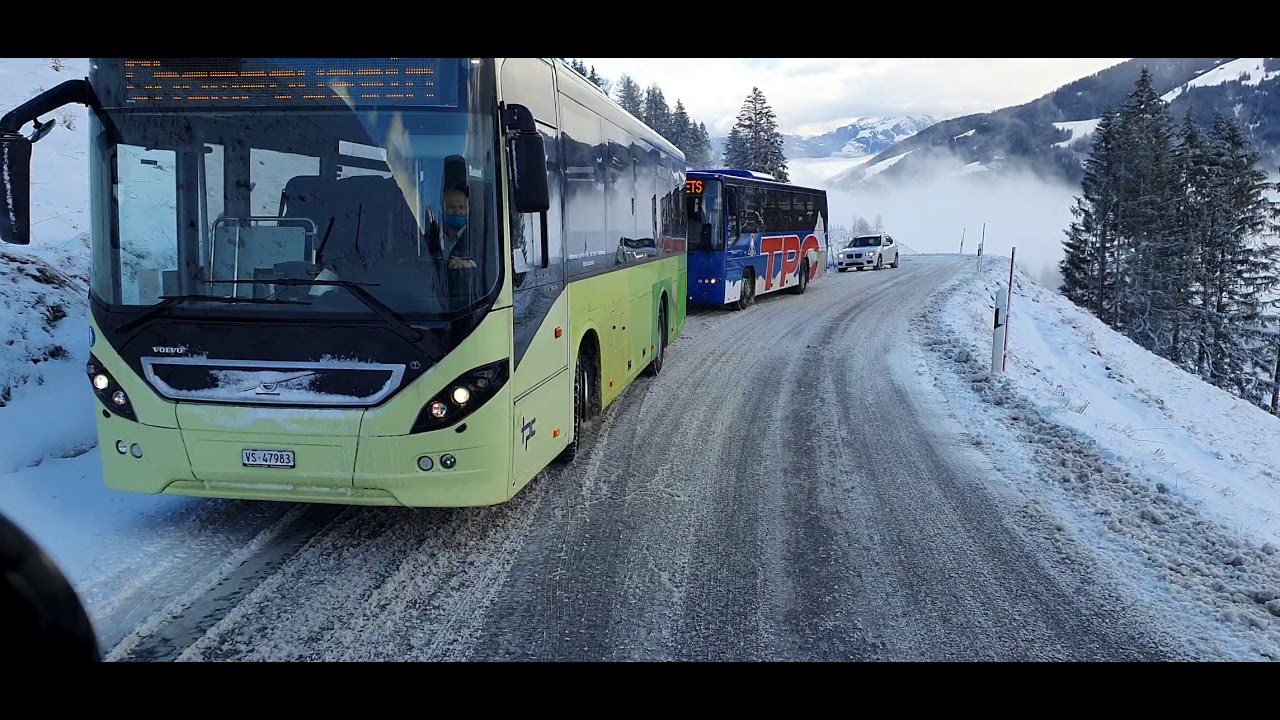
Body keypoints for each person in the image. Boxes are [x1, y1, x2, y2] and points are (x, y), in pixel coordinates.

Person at [426, 185, 477, 271]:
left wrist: (468, 265)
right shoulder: (429, 237)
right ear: (442, 209)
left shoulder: (478, 237)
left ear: (468, 209)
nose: (457, 212)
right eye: (452, 207)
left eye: (461, 207)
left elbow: (486, 265)